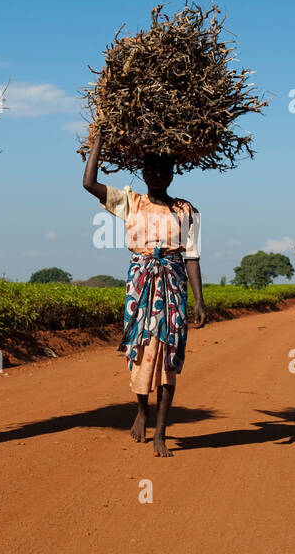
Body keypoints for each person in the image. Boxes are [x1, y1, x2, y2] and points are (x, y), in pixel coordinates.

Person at [83, 130, 206, 457]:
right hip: (140, 287)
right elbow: (88, 184)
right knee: (139, 350)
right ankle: (142, 410)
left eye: (164, 171)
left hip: (173, 286)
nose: (157, 176)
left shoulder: (186, 210)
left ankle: (160, 434)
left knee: (169, 355)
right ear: (142, 172)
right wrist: (98, 143)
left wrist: (199, 301)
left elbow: (191, 256)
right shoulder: (130, 201)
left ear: (172, 173)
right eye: (151, 170)